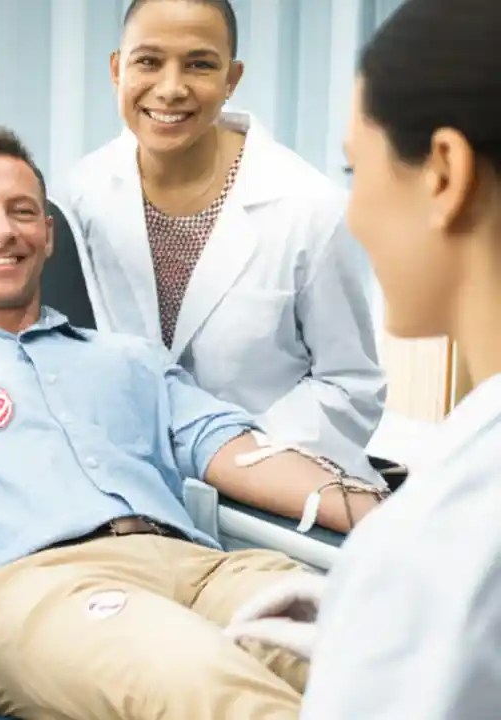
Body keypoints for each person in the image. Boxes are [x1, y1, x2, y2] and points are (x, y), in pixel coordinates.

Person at [0, 127, 391, 720]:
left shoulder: (130, 359)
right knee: (211, 689)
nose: (2, 229)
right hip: (42, 590)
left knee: (385, 646)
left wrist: (395, 521)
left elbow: (239, 450)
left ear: (48, 236)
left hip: (201, 567)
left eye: (21, 211)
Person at [226, 1, 501, 717]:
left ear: (445, 172)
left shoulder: (453, 529)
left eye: (355, 168)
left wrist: (385, 618)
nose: (352, 214)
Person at [65, 0, 386, 482]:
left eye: (199, 64)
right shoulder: (81, 193)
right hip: (133, 485)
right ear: (117, 68)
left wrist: (232, 456)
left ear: (231, 79)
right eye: (148, 61)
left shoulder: (307, 205)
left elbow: (350, 385)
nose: (171, 89)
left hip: (272, 483)